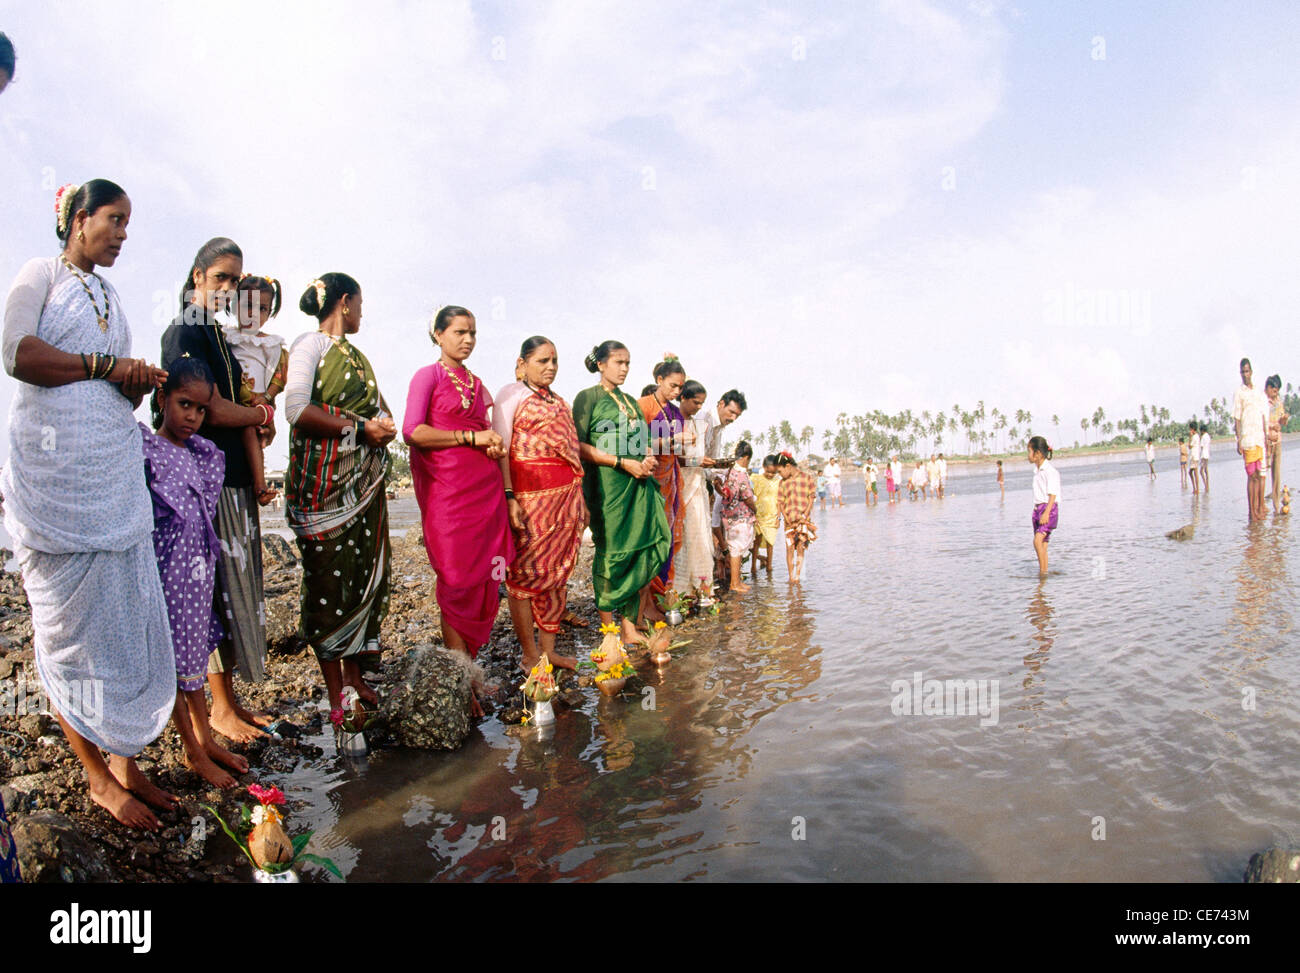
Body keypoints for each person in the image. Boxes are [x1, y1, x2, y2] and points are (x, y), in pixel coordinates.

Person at [3, 180, 175, 829]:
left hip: (110, 472)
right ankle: (96, 777)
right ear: (79, 219)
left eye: (128, 222)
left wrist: (133, 380)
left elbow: (106, 387)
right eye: (115, 219)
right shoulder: (40, 274)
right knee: (69, 630)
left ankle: (127, 758)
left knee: (122, 617)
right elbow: (17, 354)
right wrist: (109, 363)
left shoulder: (113, 296)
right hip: (56, 481)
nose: (124, 233)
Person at [160, 237, 276, 743]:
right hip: (203, 480)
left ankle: (229, 701)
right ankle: (218, 710)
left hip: (229, 476)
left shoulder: (215, 334)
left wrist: (254, 421)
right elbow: (205, 402)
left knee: (230, 588)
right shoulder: (185, 330)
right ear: (197, 276)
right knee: (211, 591)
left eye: (235, 279)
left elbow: (230, 401)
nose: (229, 288)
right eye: (221, 278)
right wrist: (257, 414)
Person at [286, 274, 395, 726]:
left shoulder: (359, 357)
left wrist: (383, 426)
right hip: (324, 489)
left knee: (361, 576)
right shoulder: (310, 346)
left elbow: (382, 412)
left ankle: (356, 678)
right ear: (345, 302)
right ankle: (337, 693)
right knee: (329, 585)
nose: (363, 313)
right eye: (361, 303)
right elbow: (296, 409)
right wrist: (359, 428)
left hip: (363, 487)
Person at [141, 357, 248, 789]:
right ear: (162, 398)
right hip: (168, 576)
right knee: (177, 669)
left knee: (195, 663)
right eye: (184, 404)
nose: (192, 417)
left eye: (201, 410)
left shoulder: (203, 454)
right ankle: (192, 750)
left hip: (198, 574)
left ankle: (206, 739)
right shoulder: (147, 448)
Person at [404, 306, 513, 712]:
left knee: (487, 577)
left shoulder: (475, 382)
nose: (467, 340)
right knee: (455, 580)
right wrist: (470, 436)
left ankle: (472, 672)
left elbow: (486, 433)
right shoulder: (427, 376)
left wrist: (492, 444)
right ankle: (460, 681)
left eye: (473, 333)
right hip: (447, 494)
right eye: (459, 332)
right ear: (438, 334)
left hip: (483, 492)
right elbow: (413, 431)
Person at [493, 336, 587, 672]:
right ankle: (529, 654)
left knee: (557, 575)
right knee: (523, 576)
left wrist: (580, 501)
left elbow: (573, 456)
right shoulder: (511, 395)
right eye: (542, 361)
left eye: (555, 361)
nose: (550, 367)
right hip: (529, 501)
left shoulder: (560, 403)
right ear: (522, 365)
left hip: (565, 501)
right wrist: (508, 497)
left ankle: (548, 652)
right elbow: (501, 447)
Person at [572, 340, 670, 645]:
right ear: (601, 365)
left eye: (627, 363)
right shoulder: (586, 398)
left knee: (640, 550)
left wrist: (647, 458)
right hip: (606, 487)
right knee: (613, 553)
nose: (624, 368)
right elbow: (578, 446)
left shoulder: (630, 401)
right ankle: (609, 629)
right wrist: (620, 462)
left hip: (637, 485)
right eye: (618, 362)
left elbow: (641, 442)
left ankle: (629, 625)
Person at [227, 273, 287, 506]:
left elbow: (279, 376)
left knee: (253, 433)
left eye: (262, 309)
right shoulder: (227, 336)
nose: (254, 314)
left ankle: (260, 486)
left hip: (257, 404)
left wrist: (267, 397)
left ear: (269, 313)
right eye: (248, 305)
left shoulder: (271, 344)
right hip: (232, 400)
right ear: (234, 305)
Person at [638, 357, 686, 593]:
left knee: (666, 541)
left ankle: (663, 595)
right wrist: (673, 441)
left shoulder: (676, 414)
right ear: (659, 380)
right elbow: (635, 444)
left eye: (680, 387)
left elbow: (678, 451)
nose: (677, 392)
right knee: (649, 541)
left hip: (670, 484)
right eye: (672, 386)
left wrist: (682, 445)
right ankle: (644, 601)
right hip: (647, 483)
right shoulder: (643, 406)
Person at [674, 379, 715, 595]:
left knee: (700, 533)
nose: (699, 407)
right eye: (696, 402)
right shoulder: (674, 423)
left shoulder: (699, 425)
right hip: (681, 484)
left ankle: (701, 587)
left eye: (702, 404)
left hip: (697, 485)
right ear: (683, 398)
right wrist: (697, 461)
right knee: (685, 536)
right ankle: (681, 591)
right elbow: (674, 458)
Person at [1233, 358, 1269, 522]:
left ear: (1251, 372)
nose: (1245, 374)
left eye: (1247, 371)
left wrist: (1266, 435)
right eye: (1242, 372)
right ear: (1240, 373)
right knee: (1251, 475)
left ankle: (1257, 509)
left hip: (1258, 437)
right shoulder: (1239, 393)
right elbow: (1237, 418)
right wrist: (1238, 439)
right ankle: (1251, 512)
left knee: (1259, 475)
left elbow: (1263, 415)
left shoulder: (1257, 392)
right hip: (1247, 438)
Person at [719, 441, 757, 594]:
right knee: (736, 549)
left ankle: (737, 581)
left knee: (737, 549)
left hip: (729, 515)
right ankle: (735, 583)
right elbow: (747, 496)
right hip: (740, 516)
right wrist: (755, 509)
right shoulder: (741, 474)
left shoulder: (729, 472)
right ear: (746, 457)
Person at [776, 452, 816, 582]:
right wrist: (783, 519)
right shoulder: (782, 483)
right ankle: (791, 576)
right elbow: (780, 503)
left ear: (788, 466)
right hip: (789, 521)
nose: (779, 474)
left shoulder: (807, 478)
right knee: (789, 548)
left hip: (803, 521)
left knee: (800, 547)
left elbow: (811, 499)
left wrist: (805, 515)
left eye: (780, 471)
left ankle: (797, 576)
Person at [1028, 435, 1059, 576]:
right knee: (1043, 544)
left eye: (1029, 451)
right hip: (1038, 509)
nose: (1028, 455)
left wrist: (1046, 513)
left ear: (1038, 453)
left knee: (1037, 541)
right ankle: (1044, 571)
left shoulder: (1050, 471)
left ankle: (1042, 573)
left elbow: (1053, 494)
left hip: (1048, 509)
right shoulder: (1037, 471)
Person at [751, 454, 780, 576]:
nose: (770, 475)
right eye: (768, 472)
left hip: (772, 516)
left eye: (773, 473)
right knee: (755, 542)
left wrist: (778, 517)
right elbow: (750, 497)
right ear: (763, 467)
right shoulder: (755, 479)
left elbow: (779, 501)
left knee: (770, 542)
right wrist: (753, 516)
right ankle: (753, 567)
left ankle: (769, 566)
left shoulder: (778, 482)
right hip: (758, 515)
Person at [1264, 375, 1289, 514]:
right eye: (1274, 391)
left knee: (1276, 473)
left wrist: (1284, 419)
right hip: (1267, 441)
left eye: (1277, 391)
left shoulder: (1279, 402)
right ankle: (1261, 504)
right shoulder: (1263, 402)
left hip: (1277, 441)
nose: (1275, 394)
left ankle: (1275, 504)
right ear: (1268, 388)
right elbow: (1260, 421)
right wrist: (1271, 427)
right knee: (1263, 471)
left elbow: (1283, 423)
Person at [1188, 421, 1201, 493]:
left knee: (1194, 472)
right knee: (1191, 472)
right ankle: (1195, 488)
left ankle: (1197, 489)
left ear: (1192, 429)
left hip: (1194, 456)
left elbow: (1189, 446)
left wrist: (1190, 437)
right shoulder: (1197, 436)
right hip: (1195, 456)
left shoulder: (1194, 437)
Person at [1198, 421, 1211, 492]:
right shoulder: (1208, 436)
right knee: (1206, 470)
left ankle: (1205, 484)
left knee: (1201, 471)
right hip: (1207, 454)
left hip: (1203, 455)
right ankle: (1207, 484)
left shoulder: (1203, 437)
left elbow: (1201, 446)